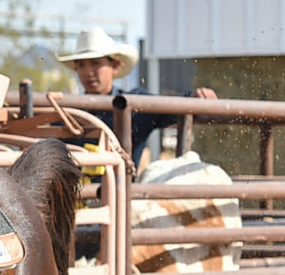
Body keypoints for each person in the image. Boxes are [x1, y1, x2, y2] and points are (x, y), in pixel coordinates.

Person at [56, 27, 217, 169]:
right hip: (75, 197)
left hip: (122, 196)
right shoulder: (67, 112)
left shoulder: (135, 105)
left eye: (95, 63)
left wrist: (195, 98)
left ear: (115, 66)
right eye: (81, 65)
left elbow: (171, 108)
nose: (88, 71)